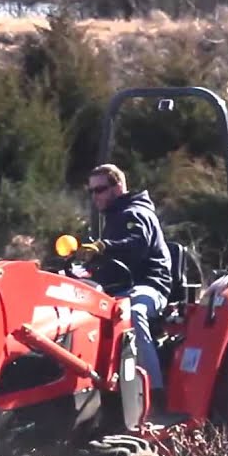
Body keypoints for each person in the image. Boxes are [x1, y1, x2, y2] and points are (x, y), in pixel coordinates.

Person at [79, 164, 174, 414]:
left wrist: (104, 247)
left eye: (99, 189)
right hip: (119, 288)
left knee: (132, 313)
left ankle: (153, 392)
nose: (94, 197)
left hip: (149, 286)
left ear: (118, 187)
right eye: (91, 191)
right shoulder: (113, 217)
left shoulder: (136, 213)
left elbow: (137, 244)